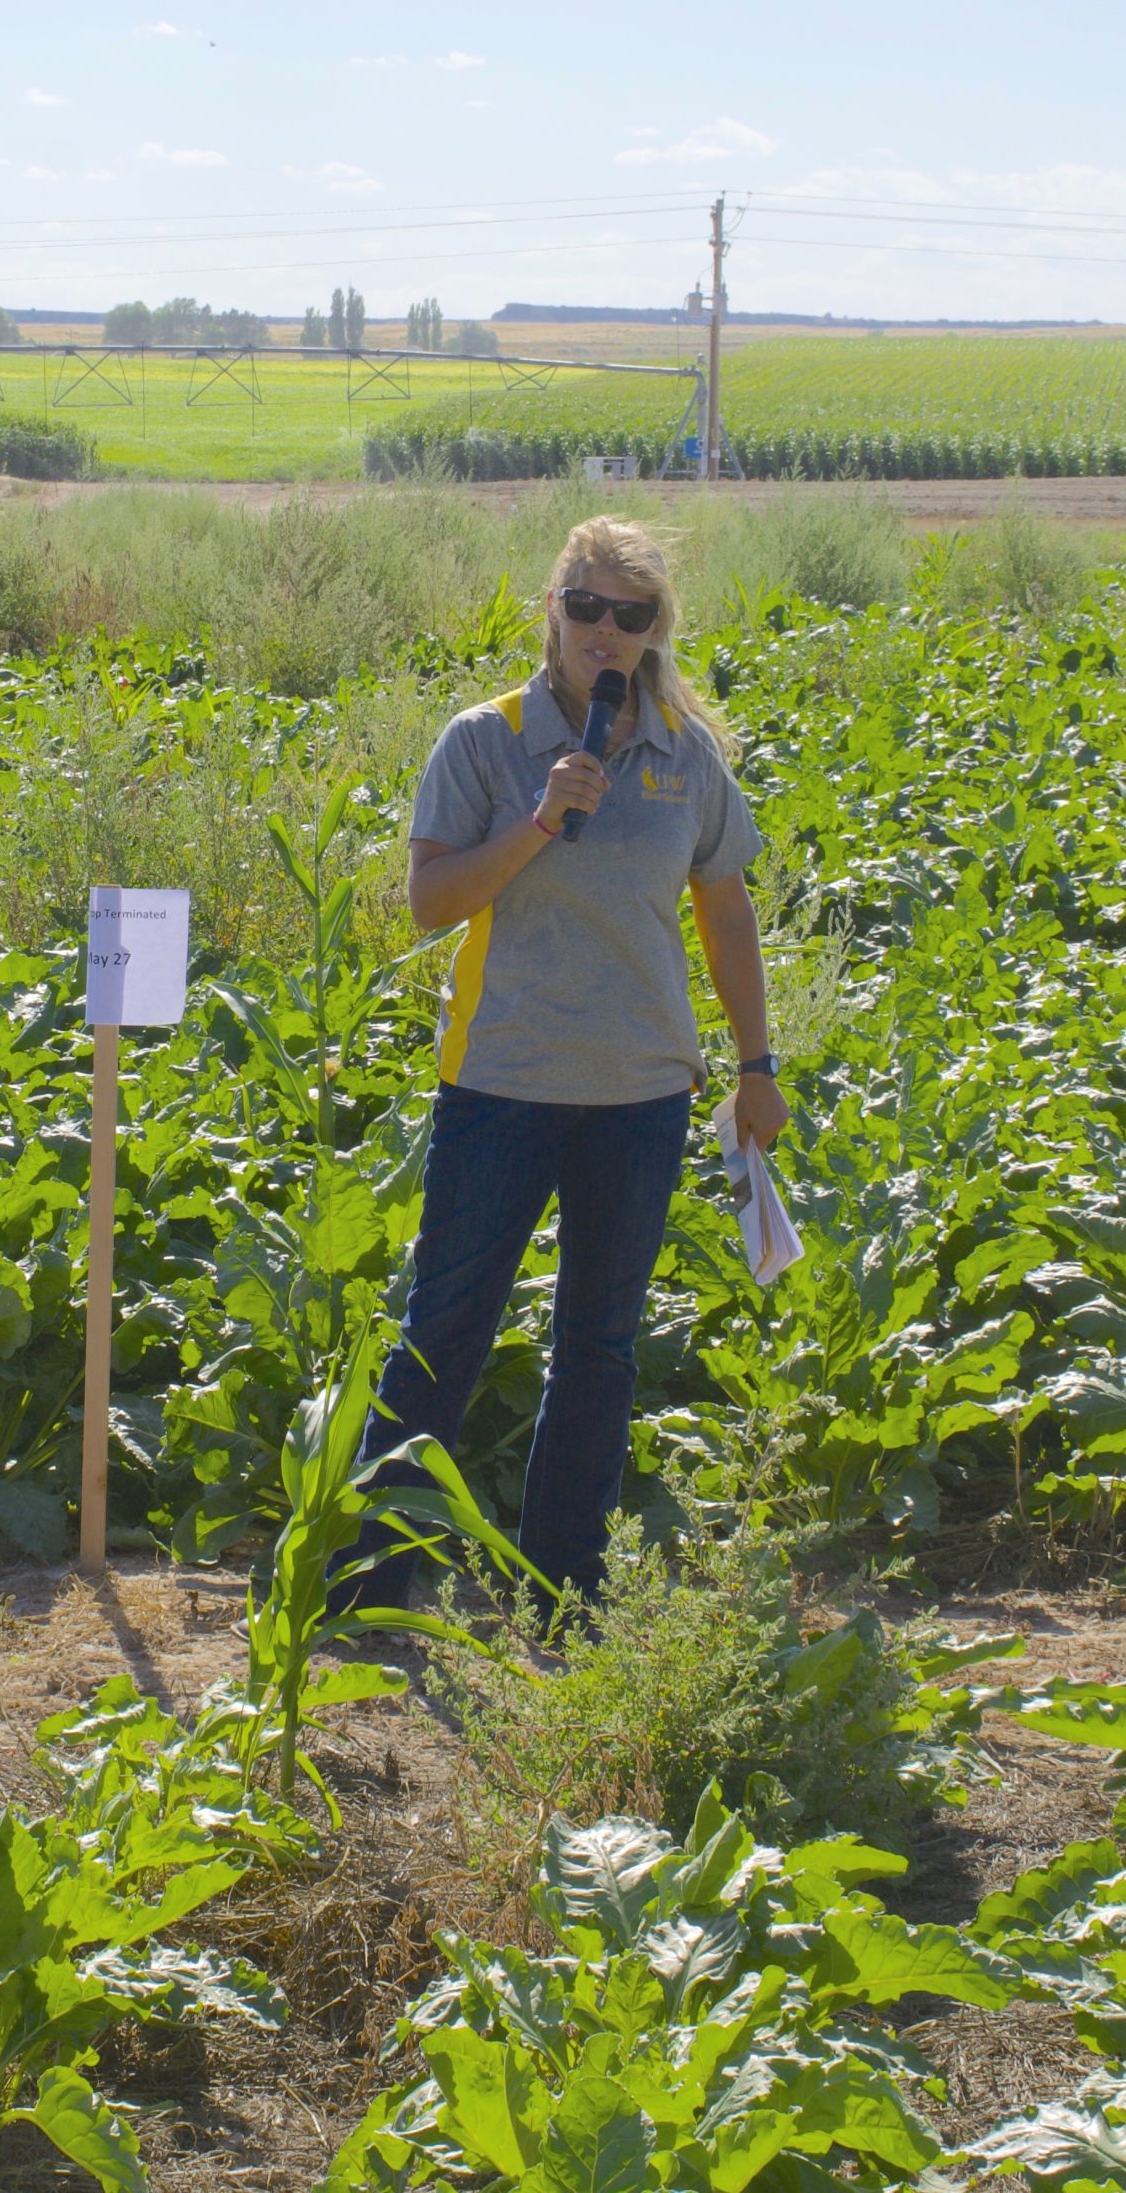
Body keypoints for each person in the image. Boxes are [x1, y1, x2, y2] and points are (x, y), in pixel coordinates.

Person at [340, 513, 785, 1615]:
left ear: (654, 628)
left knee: (599, 1346)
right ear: (553, 608)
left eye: (631, 614)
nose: (605, 631)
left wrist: (757, 1063)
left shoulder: (684, 754)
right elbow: (431, 901)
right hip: (503, 1083)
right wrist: (542, 819)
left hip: (640, 1094)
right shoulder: (484, 740)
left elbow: (725, 912)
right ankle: (368, 1583)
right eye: (586, 606)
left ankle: (563, 1593)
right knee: (443, 1332)